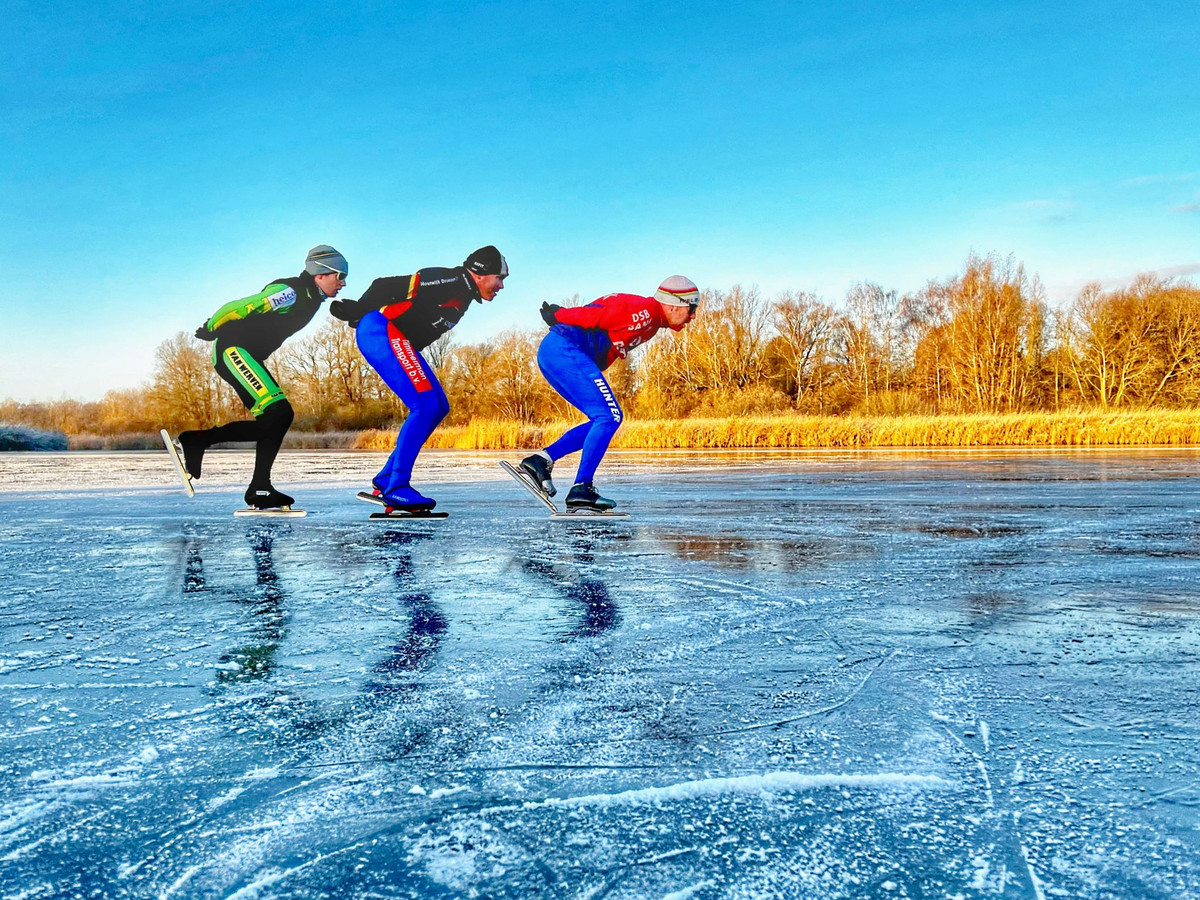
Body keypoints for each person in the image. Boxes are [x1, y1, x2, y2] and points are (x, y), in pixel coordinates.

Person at [329, 245, 508, 511]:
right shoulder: (452, 280)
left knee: (438, 406)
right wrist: (361, 310)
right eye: (500, 278)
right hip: (380, 330)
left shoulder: (464, 297)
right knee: (425, 406)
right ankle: (398, 487)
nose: (501, 286)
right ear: (481, 274)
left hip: (399, 340)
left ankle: (387, 477)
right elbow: (383, 285)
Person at [174, 245, 349, 509]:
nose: (343, 283)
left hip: (246, 354)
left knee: (276, 418)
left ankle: (259, 487)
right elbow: (238, 307)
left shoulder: (309, 297)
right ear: (320, 274)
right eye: (340, 275)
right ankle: (199, 442)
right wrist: (212, 327)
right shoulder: (291, 292)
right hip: (233, 350)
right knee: (278, 414)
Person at [517, 275, 700, 511]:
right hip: (564, 349)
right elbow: (595, 314)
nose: (693, 316)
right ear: (675, 304)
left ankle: (540, 461)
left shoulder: (651, 322)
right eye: (691, 308)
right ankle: (581, 488)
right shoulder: (645, 311)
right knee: (609, 417)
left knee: (602, 420)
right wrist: (560, 314)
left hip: (559, 352)